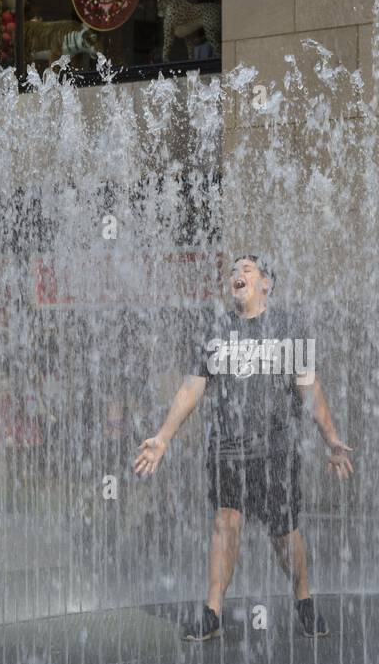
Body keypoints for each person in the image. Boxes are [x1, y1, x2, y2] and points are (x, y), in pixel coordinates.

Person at [134, 255, 354, 641]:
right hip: (227, 449)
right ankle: (212, 612)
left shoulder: (287, 328)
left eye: (247, 270)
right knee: (225, 522)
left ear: (266, 283)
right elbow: (192, 387)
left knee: (283, 532)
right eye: (233, 271)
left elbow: (309, 386)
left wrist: (331, 437)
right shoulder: (216, 330)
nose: (238, 275)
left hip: (276, 450)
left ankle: (304, 600)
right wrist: (163, 437)